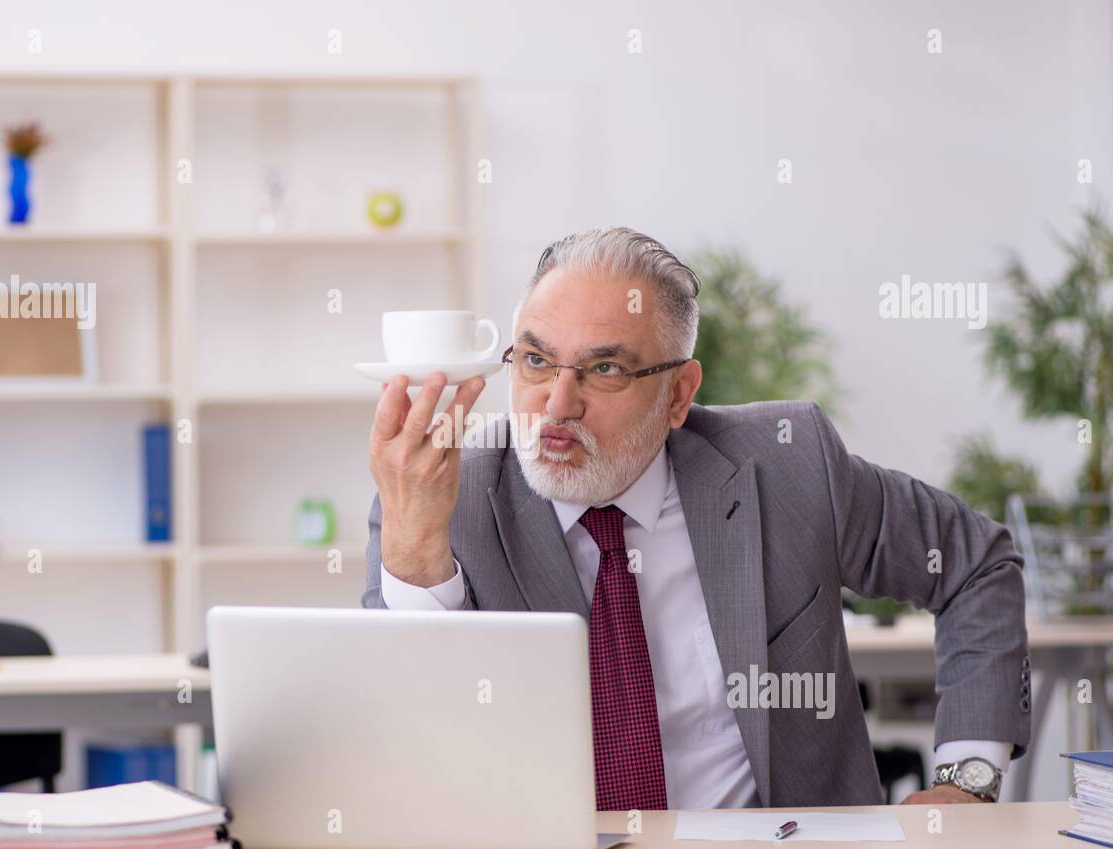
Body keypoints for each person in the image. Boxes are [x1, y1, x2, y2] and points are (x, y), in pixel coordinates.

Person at [364, 225, 1030, 810]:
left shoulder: (788, 467)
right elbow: (406, 747)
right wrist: (416, 545)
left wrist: (968, 777)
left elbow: (975, 562)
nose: (556, 405)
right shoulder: (435, 493)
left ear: (679, 393)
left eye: (603, 369)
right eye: (536, 360)